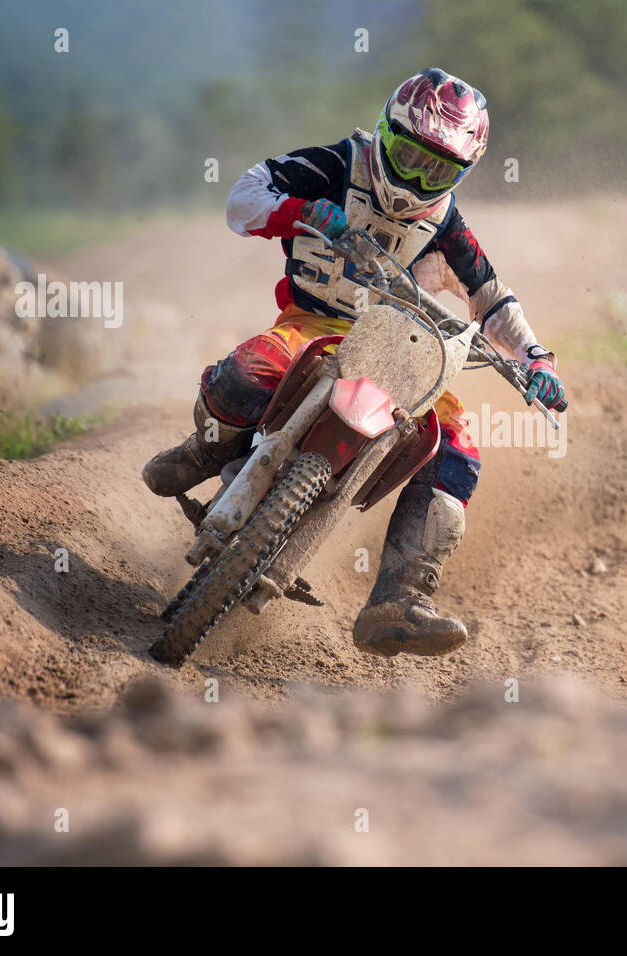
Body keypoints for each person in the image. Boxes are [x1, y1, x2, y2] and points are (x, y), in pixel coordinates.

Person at [142, 68, 566, 657]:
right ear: (384, 134)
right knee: (246, 373)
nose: (418, 178)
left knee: (459, 444)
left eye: (438, 170)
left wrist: (537, 360)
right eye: (409, 157)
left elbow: (492, 298)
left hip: (402, 353)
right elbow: (244, 196)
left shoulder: (446, 225)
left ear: (461, 174)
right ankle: (206, 452)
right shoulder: (338, 166)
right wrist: (304, 212)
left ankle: (402, 594)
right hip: (313, 326)